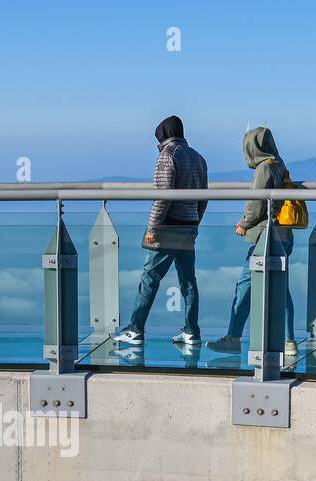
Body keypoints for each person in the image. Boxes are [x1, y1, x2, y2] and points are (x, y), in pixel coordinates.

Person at [111, 115, 208, 347]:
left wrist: (152, 228)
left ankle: (135, 329)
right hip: (189, 225)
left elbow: (162, 198)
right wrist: (196, 221)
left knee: (150, 277)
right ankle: (191, 330)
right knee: (188, 281)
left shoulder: (167, 156)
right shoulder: (198, 157)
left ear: (162, 135)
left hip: (168, 227)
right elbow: (203, 197)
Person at [207, 126, 297, 356]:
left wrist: (243, 224)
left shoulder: (264, 169)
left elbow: (256, 203)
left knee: (245, 286)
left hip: (265, 238)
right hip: (283, 235)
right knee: (280, 290)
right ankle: (289, 341)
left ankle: (233, 338)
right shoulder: (280, 165)